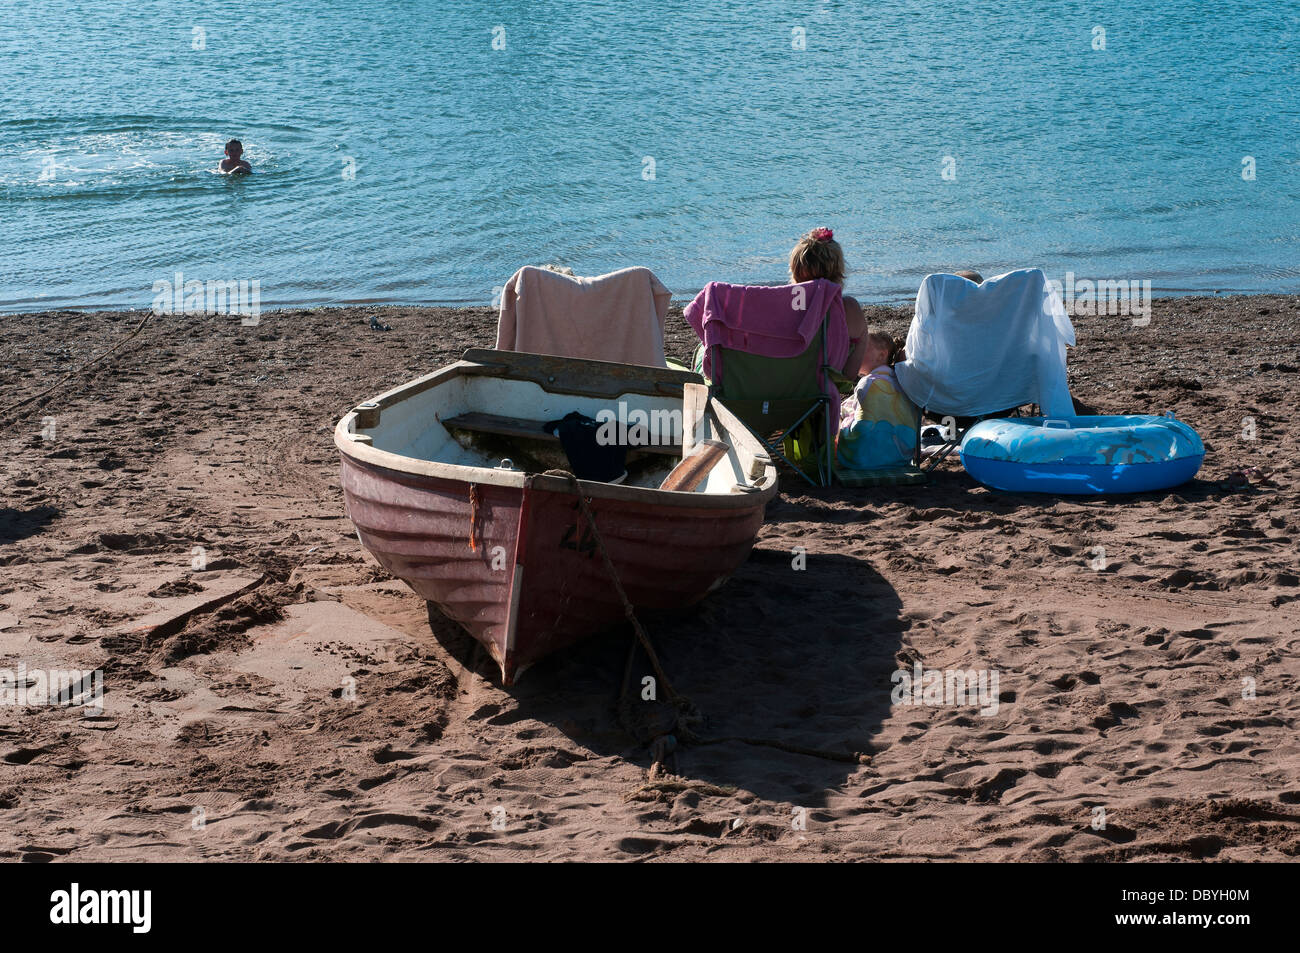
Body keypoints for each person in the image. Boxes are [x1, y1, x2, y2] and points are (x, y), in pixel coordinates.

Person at [836, 330, 918, 471]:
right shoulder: (900, 380)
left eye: (863, 349)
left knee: (839, 416)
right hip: (900, 456)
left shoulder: (868, 382)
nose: (856, 353)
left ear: (882, 355)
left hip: (861, 457)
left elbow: (862, 420)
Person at [788, 227, 865, 375]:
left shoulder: (784, 306)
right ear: (839, 273)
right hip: (824, 393)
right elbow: (849, 375)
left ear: (796, 273)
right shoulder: (850, 309)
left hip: (783, 391)